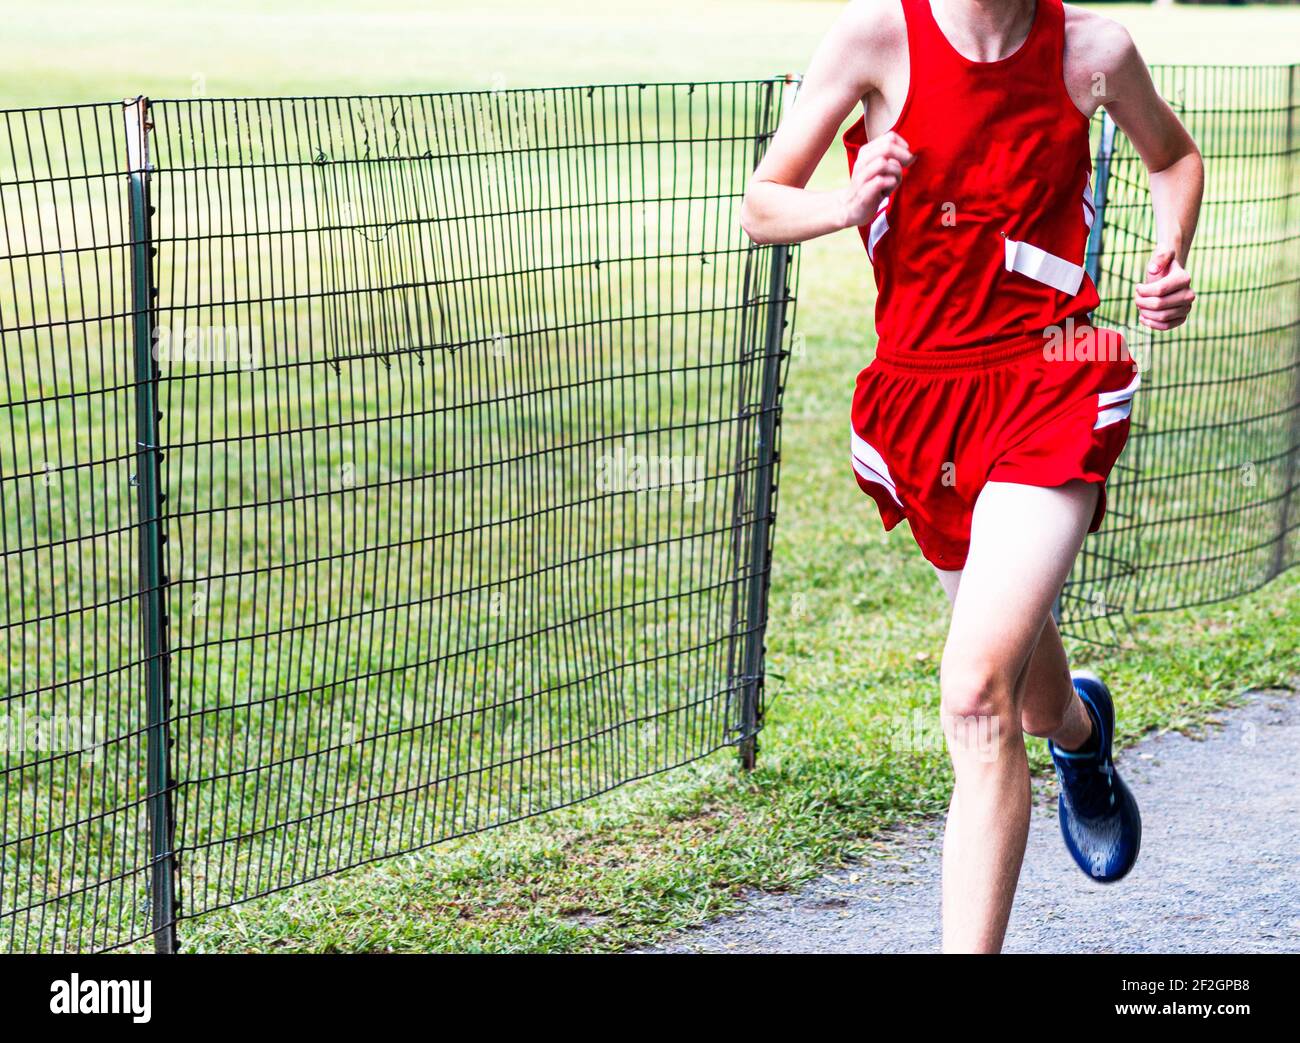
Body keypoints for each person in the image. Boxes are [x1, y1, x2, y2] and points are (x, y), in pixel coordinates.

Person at [740, 0, 1203, 953]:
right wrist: (848, 200)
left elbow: (1173, 157)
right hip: (924, 399)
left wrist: (1170, 253)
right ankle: (1077, 732)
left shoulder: (1093, 53)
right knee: (1024, 696)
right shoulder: (875, 40)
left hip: (1056, 372)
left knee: (973, 689)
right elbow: (761, 204)